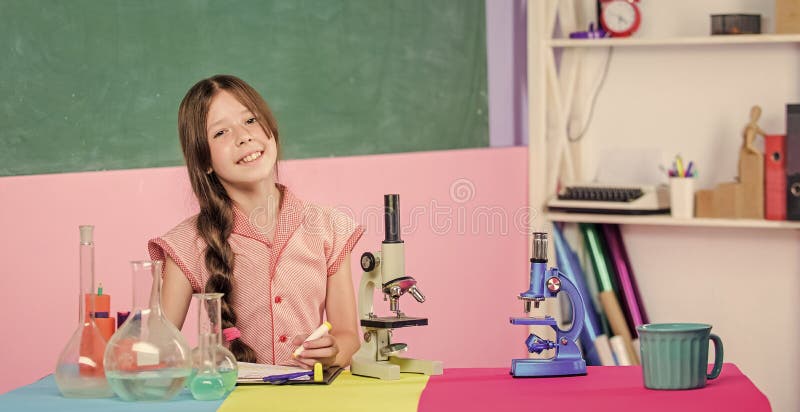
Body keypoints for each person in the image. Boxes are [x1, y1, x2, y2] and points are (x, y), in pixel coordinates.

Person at [148, 74, 364, 369]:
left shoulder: (329, 227)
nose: (243, 136)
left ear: (270, 130)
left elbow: (349, 337)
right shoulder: (186, 244)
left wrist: (332, 351)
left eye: (250, 121)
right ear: (204, 161)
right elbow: (156, 352)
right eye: (221, 133)